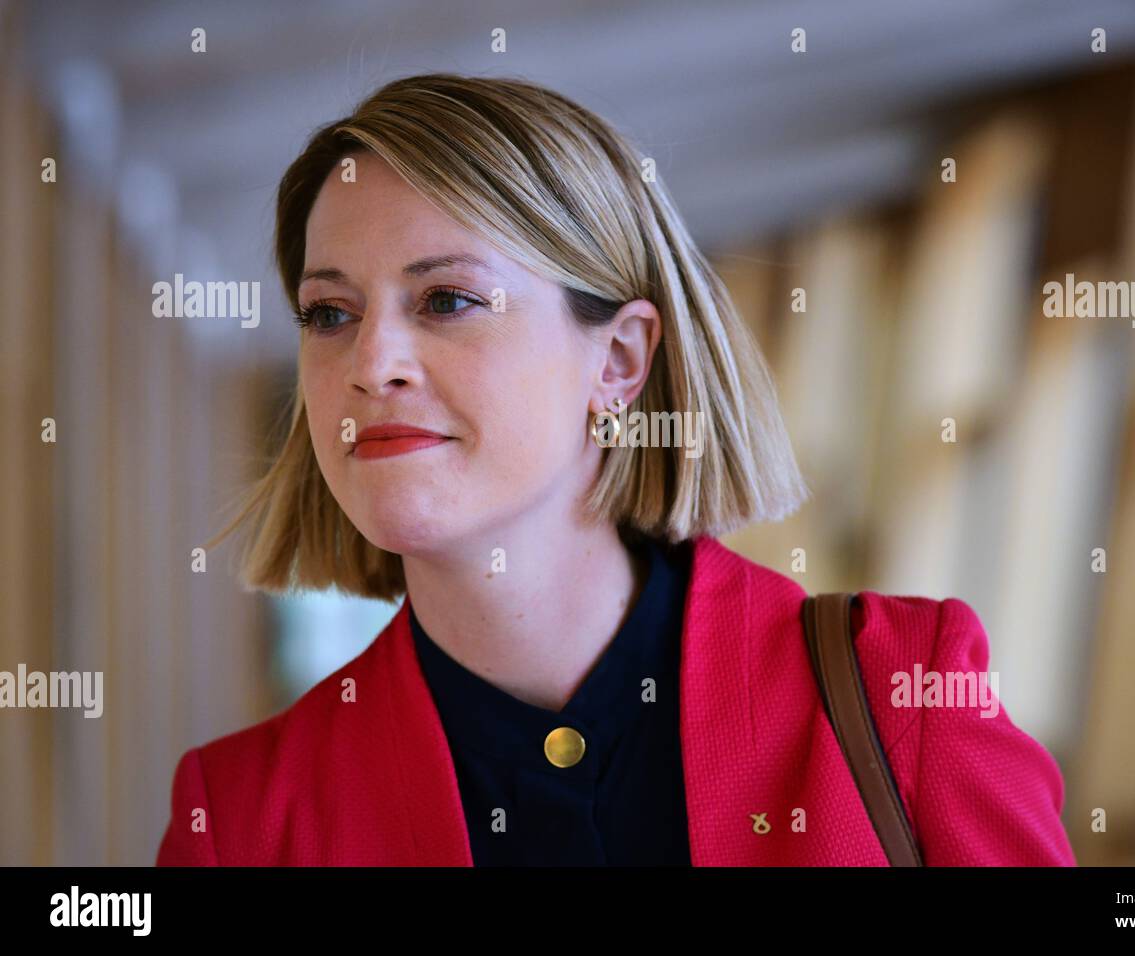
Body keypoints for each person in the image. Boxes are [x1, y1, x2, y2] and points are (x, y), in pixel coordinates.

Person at [155, 73, 1075, 866]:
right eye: (329, 314)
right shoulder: (240, 820)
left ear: (621, 361)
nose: (370, 362)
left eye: (447, 299)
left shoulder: (901, 695)